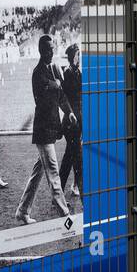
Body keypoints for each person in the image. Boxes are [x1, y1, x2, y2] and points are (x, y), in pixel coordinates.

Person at [16, 35, 74, 224]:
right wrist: (55, 83)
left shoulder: (52, 70)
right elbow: (42, 90)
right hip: (42, 130)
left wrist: (69, 112)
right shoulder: (38, 72)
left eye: (53, 49)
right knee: (53, 172)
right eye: (49, 49)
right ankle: (65, 214)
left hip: (50, 129)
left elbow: (62, 96)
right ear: (42, 51)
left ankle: (22, 211)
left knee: (37, 173)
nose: (52, 52)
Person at [59, 43, 82, 199]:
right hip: (70, 122)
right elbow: (63, 98)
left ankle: (59, 190)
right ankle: (78, 187)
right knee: (77, 156)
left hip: (78, 121)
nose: (80, 57)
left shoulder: (78, 73)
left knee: (69, 156)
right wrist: (70, 113)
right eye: (78, 55)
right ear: (74, 56)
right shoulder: (67, 73)